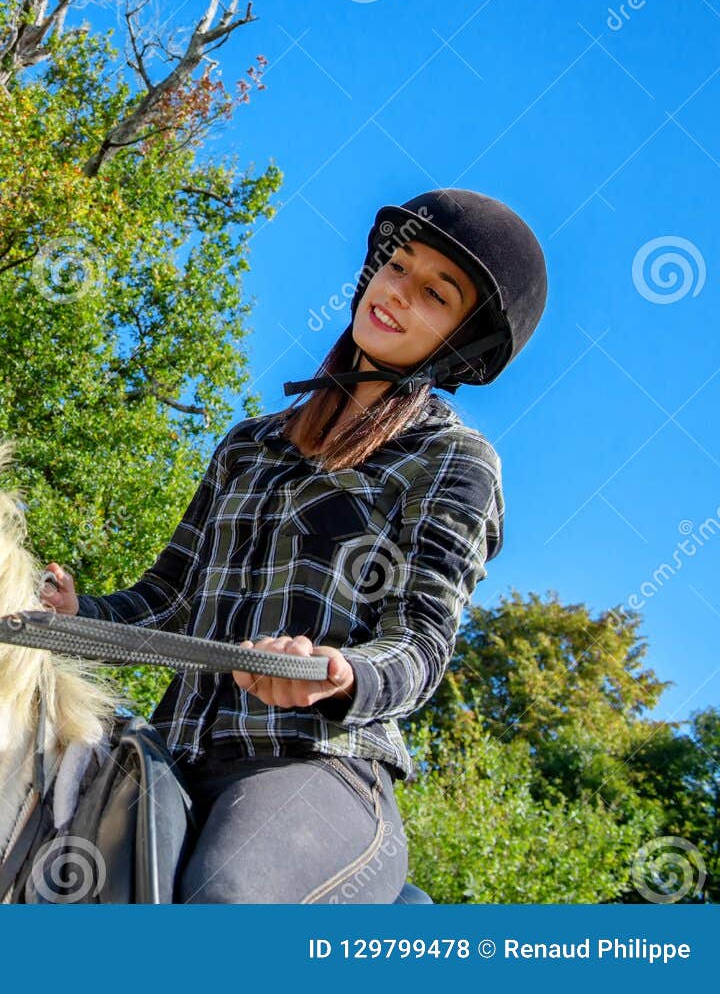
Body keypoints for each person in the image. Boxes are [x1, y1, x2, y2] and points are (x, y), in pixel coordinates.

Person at [38, 189, 547, 903]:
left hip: (321, 768)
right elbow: (169, 603)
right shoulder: (249, 445)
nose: (397, 293)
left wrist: (340, 673)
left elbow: (420, 647)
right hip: (170, 755)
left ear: (463, 340)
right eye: (397, 267)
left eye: (435, 293)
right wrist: (73, 612)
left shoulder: (454, 461)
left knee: (227, 900)